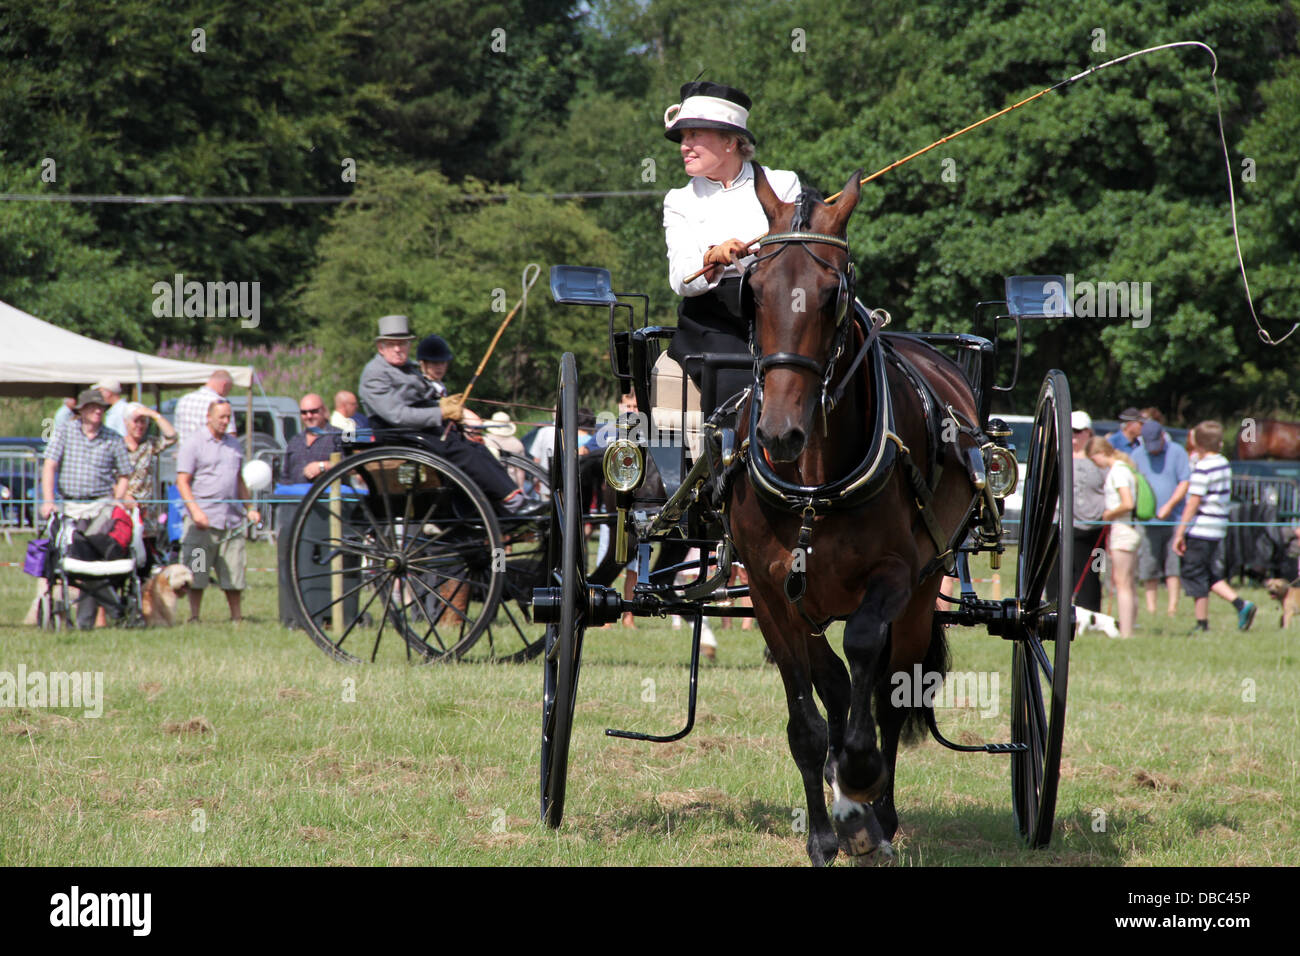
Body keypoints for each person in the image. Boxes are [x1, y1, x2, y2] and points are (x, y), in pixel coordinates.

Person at [663, 80, 801, 407]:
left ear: (729, 142)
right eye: (684, 137)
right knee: (738, 384)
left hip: (782, 311)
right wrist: (713, 256)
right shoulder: (679, 201)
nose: (685, 145)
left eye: (696, 135)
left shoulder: (784, 183)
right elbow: (680, 278)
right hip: (714, 322)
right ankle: (729, 453)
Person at [359, 316, 532, 513]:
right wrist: (441, 411)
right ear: (381, 347)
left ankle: (505, 500)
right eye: (392, 344)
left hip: (420, 430)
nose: (398, 349)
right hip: (397, 434)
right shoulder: (375, 374)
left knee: (476, 448)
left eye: (402, 344)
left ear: (409, 345)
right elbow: (397, 415)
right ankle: (510, 500)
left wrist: (443, 404)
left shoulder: (409, 368)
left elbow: (423, 398)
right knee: (461, 452)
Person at [40, 389, 134, 627]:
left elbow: (125, 474)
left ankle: (88, 620)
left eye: (101, 407)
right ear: (81, 410)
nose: (98, 410)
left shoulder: (113, 438)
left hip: (101, 506)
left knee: (89, 556)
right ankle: (113, 610)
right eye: (93, 406)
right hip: (71, 505)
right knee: (80, 555)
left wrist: (117, 499)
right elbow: (50, 466)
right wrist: (48, 500)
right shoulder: (64, 432)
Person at [176, 400, 260, 623]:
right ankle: (194, 617)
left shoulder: (234, 445)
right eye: (221, 417)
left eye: (228, 417)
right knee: (198, 572)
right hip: (202, 523)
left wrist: (249, 508)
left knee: (233, 574)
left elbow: (238, 480)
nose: (226, 421)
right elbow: (182, 481)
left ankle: (236, 618)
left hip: (231, 521)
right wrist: (195, 512)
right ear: (208, 417)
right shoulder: (194, 443)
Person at [1172, 421, 1256, 632]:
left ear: (1196, 443)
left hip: (1201, 528)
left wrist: (1180, 533)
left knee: (1195, 574)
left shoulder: (1203, 467)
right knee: (1207, 572)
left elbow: (1193, 503)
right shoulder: (1223, 463)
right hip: (1218, 527)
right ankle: (1241, 605)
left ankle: (1202, 623)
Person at [1131, 418, 1191, 617]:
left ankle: (1172, 608)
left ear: (1163, 436)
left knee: (1173, 566)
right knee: (1149, 566)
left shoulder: (1177, 452)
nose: (1154, 449)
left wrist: (1169, 505)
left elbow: (1184, 482)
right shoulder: (1137, 454)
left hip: (1173, 519)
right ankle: (1151, 608)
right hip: (1147, 522)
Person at [1087, 437, 1140, 638]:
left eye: (1095, 459)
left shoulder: (1118, 472)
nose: (1096, 464)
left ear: (1101, 453)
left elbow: (1127, 503)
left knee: (1122, 583)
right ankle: (1129, 628)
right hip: (1129, 529)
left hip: (1122, 531)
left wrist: (1109, 514)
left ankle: (1126, 632)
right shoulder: (1124, 468)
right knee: (1129, 583)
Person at [121, 402, 179, 543]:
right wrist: (124, 495)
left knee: (146, 553)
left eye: (143, 422)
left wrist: (152, 414)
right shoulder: (117, 445)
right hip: (124, 509)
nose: (140, 426)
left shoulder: (150, 445)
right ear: (126, 423)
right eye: (136, 421)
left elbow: (172, 436)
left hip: (147, 513)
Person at [1069, 411, 1107, 612]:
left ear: (1089, 432)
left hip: (1094, 528)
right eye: (1070, 431)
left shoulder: (1098, 459)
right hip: (1064, 525)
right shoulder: (1061, 456)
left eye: (1077, 431)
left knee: (1092, 572)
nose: (1073, 435)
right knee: (1060, 572)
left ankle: (1091, 613)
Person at [284, 393, 343, 482]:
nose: (309, 416)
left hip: (328, 495)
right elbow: (285, 476)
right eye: (304, 412)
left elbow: (354, 465)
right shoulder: (294, 440)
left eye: (313, 411)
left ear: (323, 410)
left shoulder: (341, 435)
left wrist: (323, 466)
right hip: (297, 495)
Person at [175, 370, 236, 444]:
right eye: (229, 389)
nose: (227, 393)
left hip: (184, 452)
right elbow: (231, 437)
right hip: (210, 453)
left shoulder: (183, 400)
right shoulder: (221, 403)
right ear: (224, 385)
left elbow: (176, 433)